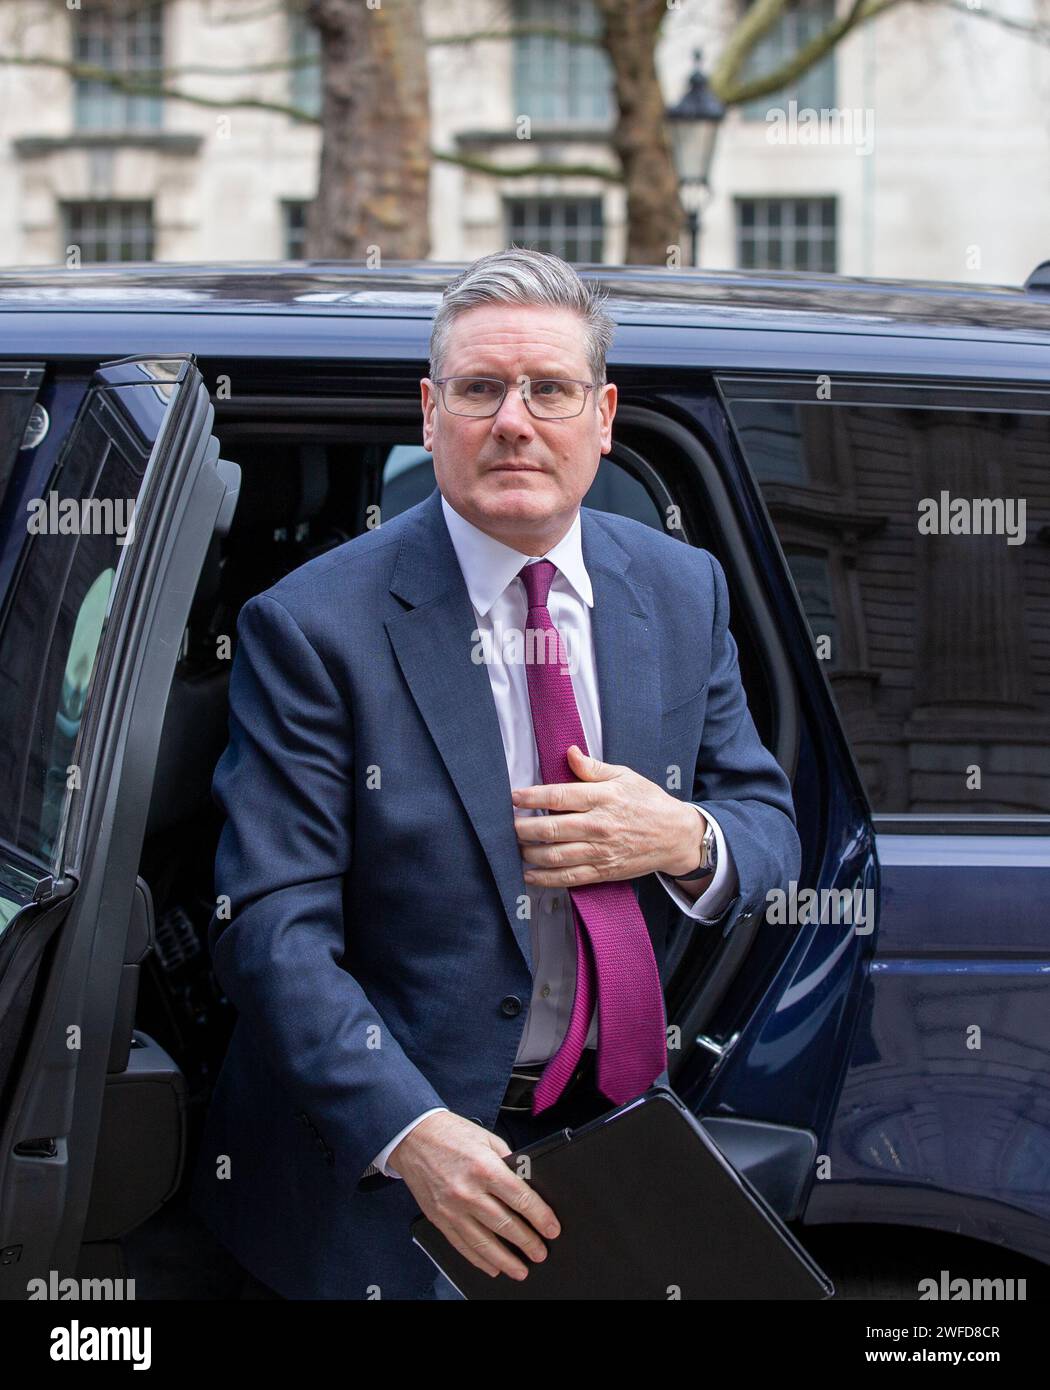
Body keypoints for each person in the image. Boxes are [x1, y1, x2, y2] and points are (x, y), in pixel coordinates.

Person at [190, 247, 801, 1301]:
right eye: (480, 389)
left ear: (603, 417)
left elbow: (765, 815)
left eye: (550, 389)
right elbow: (269, 924)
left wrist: (686, 839)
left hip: (612, 1139)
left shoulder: (679, 584)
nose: (514, 420)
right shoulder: (311, 625)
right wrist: (409, 1130)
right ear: (431, 414)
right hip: (381, 1171)